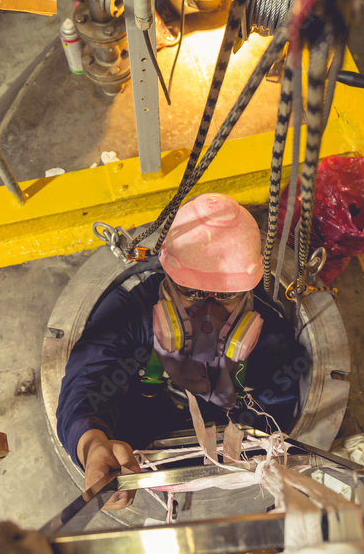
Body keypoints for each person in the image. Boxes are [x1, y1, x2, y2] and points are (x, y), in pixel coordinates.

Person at [56, 192, 307, 509]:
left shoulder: (271, 336)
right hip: (145, 409)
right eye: (192, 292)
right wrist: (92, 445)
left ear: (250, 288)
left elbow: (275, 419)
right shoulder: (131, 311)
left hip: (227, 417)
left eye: (227, 296)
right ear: (168, 276)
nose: (208, 313)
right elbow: (87, 381)